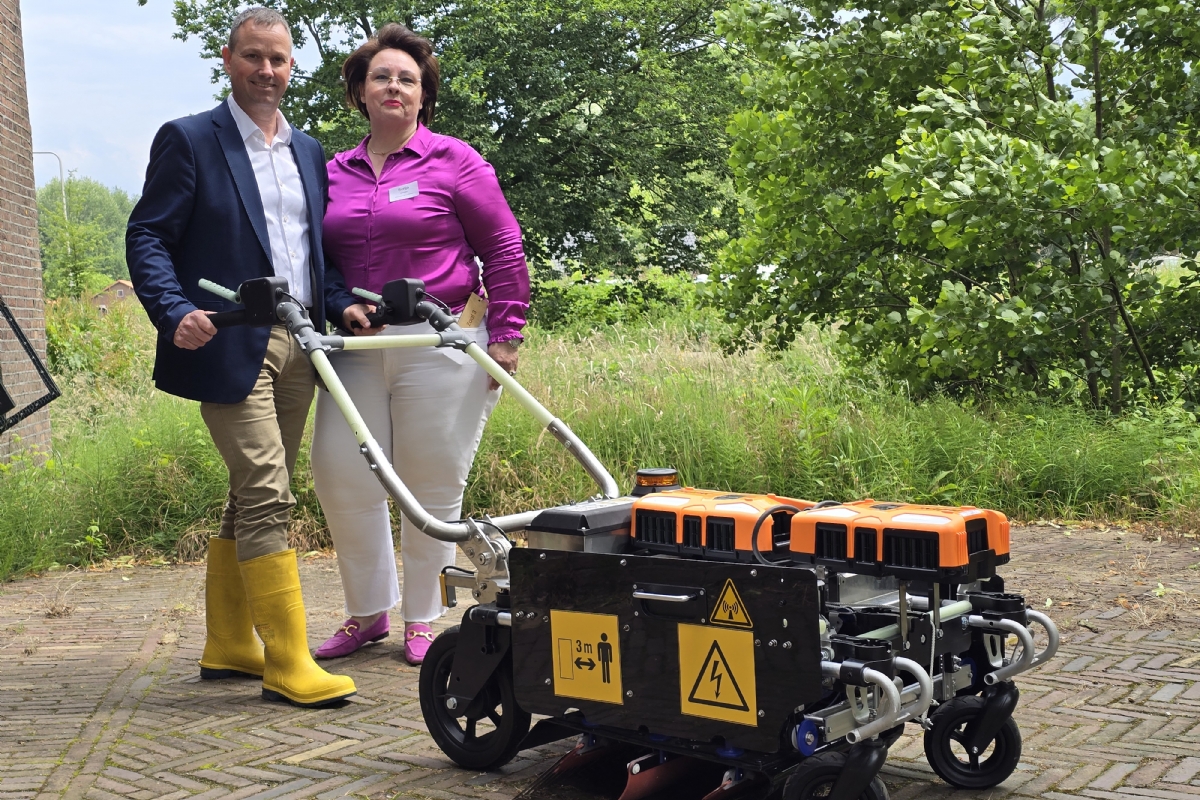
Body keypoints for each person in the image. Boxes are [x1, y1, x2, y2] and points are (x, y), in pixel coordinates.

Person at [126, 7, 360, 707]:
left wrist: (343, 300)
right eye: (253, 57)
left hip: (300, 342)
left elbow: (318, 253)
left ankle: (229, 642)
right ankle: (288, 659)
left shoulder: (309, 151)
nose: (267, 71)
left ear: (292, 66)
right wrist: (173, 313)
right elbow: (148, 237)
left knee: (251, 493)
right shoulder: (190, 140)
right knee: (267, 491)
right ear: (228, 60)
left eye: (279, 60)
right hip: (227, 338)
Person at [312, 23, 530, 665]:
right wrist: (336, 305)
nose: (394, 86)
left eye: (407, 78)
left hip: (440, 343)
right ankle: (366, 613)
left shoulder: (455, 161)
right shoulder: (332, 172)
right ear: (359, 90)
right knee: (340, 471)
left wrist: (507, 335)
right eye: (380, 75)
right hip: (355, 347)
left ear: (423, 94)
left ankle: (423, 617)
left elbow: (504, 248)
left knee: (431, 482)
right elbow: (318, 262)